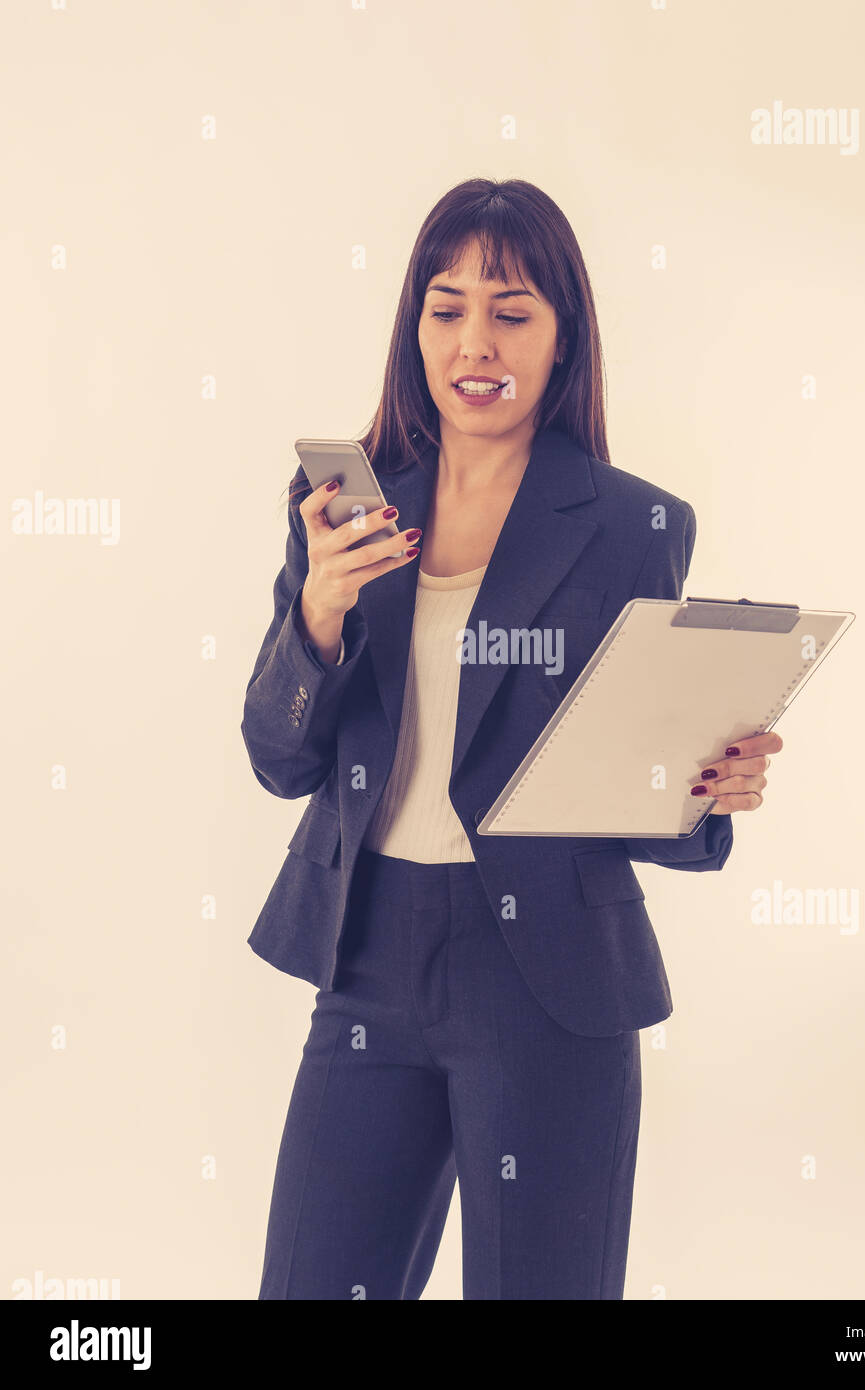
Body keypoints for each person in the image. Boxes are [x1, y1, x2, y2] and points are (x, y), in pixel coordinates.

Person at [241, 177, 782, 1300]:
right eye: (446, 308)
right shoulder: (344, 503)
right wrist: (319, 615)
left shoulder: (635, 526)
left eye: (512, 310)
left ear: (562, 335)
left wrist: (707, 785)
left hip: (548, 981)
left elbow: (641, 792)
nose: (474, 341)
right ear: (414, 325)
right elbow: (277, 756)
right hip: (368, 961)